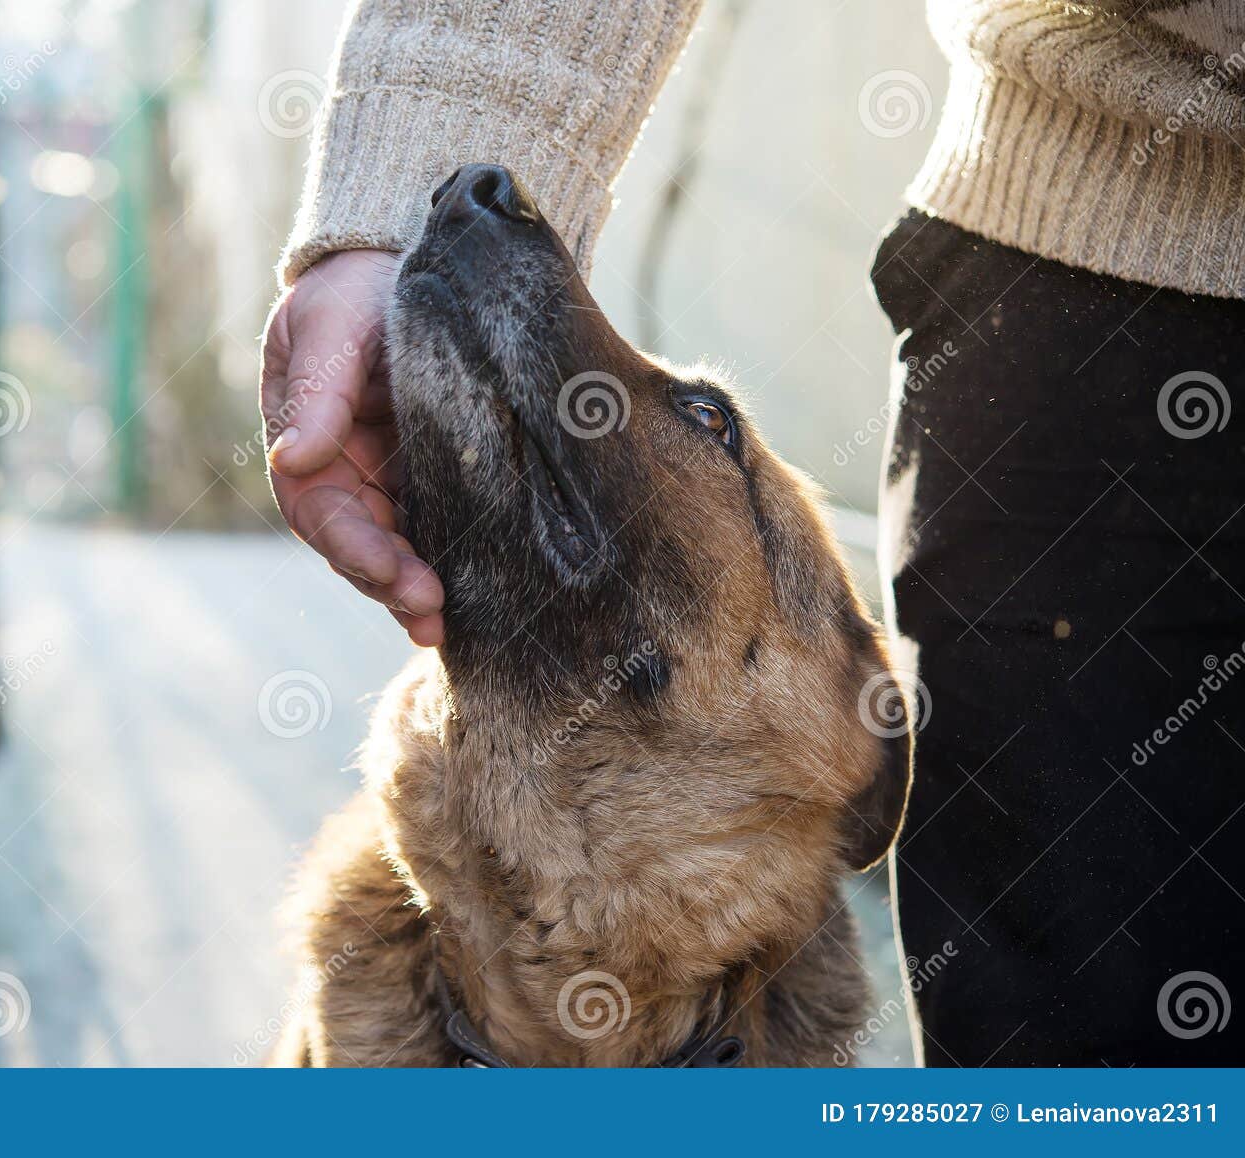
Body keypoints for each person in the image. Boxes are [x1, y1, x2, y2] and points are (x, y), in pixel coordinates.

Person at [258, 0, 1245, 1066]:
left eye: (702, 422)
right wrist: (409, 193)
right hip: (1095, 278)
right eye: (706, 422)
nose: (480, 201)